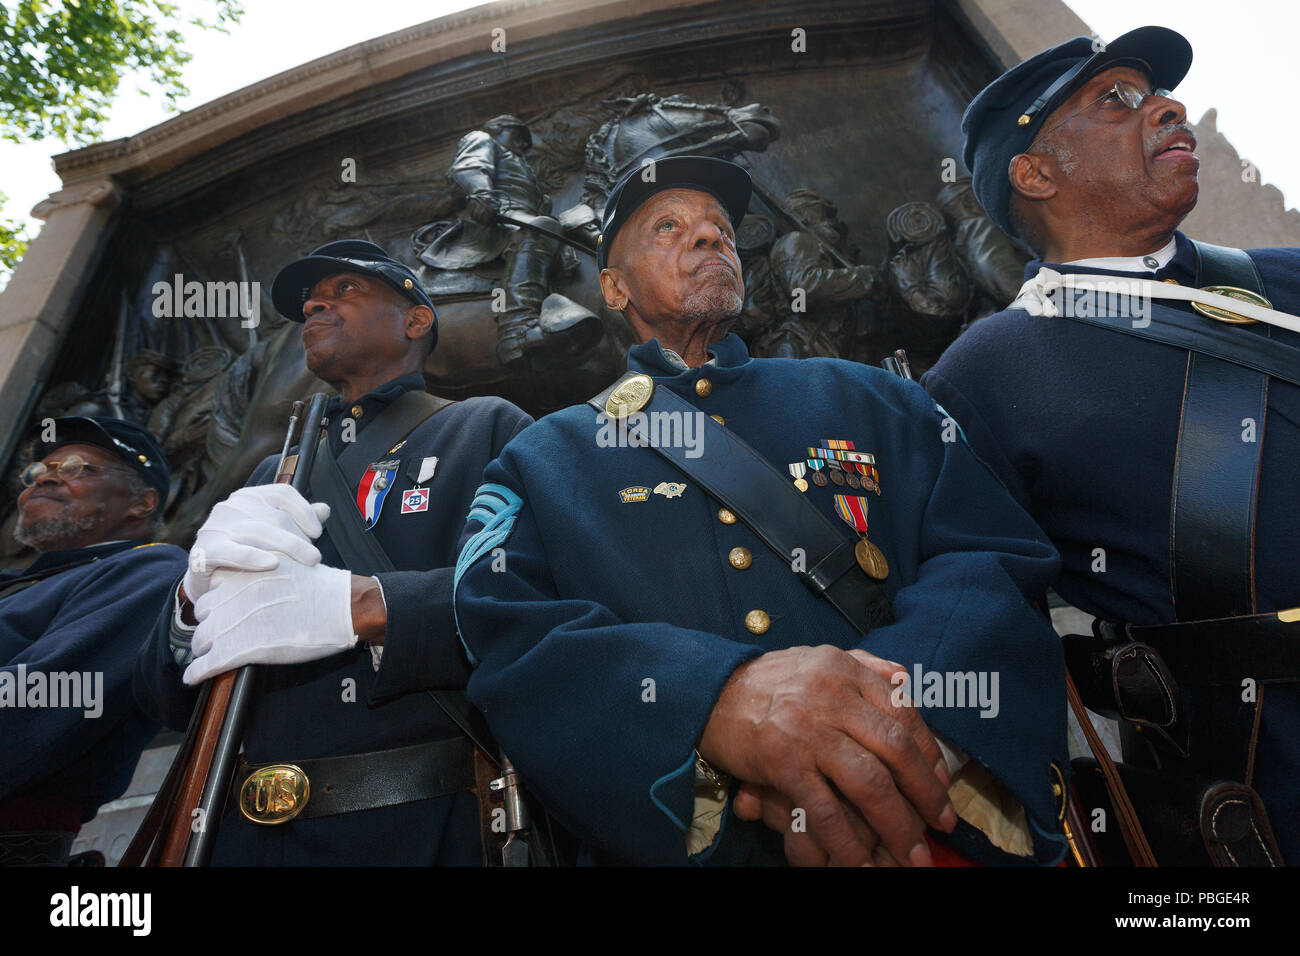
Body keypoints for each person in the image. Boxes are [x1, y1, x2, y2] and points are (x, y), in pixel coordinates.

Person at [453, 156, 1071, 866]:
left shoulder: (873, 397)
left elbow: (990, 556)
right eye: (670, 228)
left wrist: (895, 732)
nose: (711, 239)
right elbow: (511, 637)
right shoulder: (541, 460)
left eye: (721, 230)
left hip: (924, 826)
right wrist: (713, 705)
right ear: (613, 286)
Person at [923, 26, 1299, 865]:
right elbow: (985, 616)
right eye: (1117, 101)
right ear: (1037, 172)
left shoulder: (1285, 279)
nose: (1169, 107)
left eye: (1158, 94)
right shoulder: (985, 376)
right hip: (1264, 776)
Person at [133, 240, 533, 865]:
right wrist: (191, 603)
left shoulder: (483, 427)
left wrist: (364, 607)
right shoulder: (274, 469)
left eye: (345, 290)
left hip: (416, 822)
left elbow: (528, 600)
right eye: (310, 303)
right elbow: (164, 697)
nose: (316, 304)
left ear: (416, 320)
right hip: (239, 837)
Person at [1, 417, 185, 865]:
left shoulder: (150, 572)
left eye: (79, 468)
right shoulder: (17, 586)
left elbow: (41, 699)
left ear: (141, 503)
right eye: (35, 473)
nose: (43, 476)